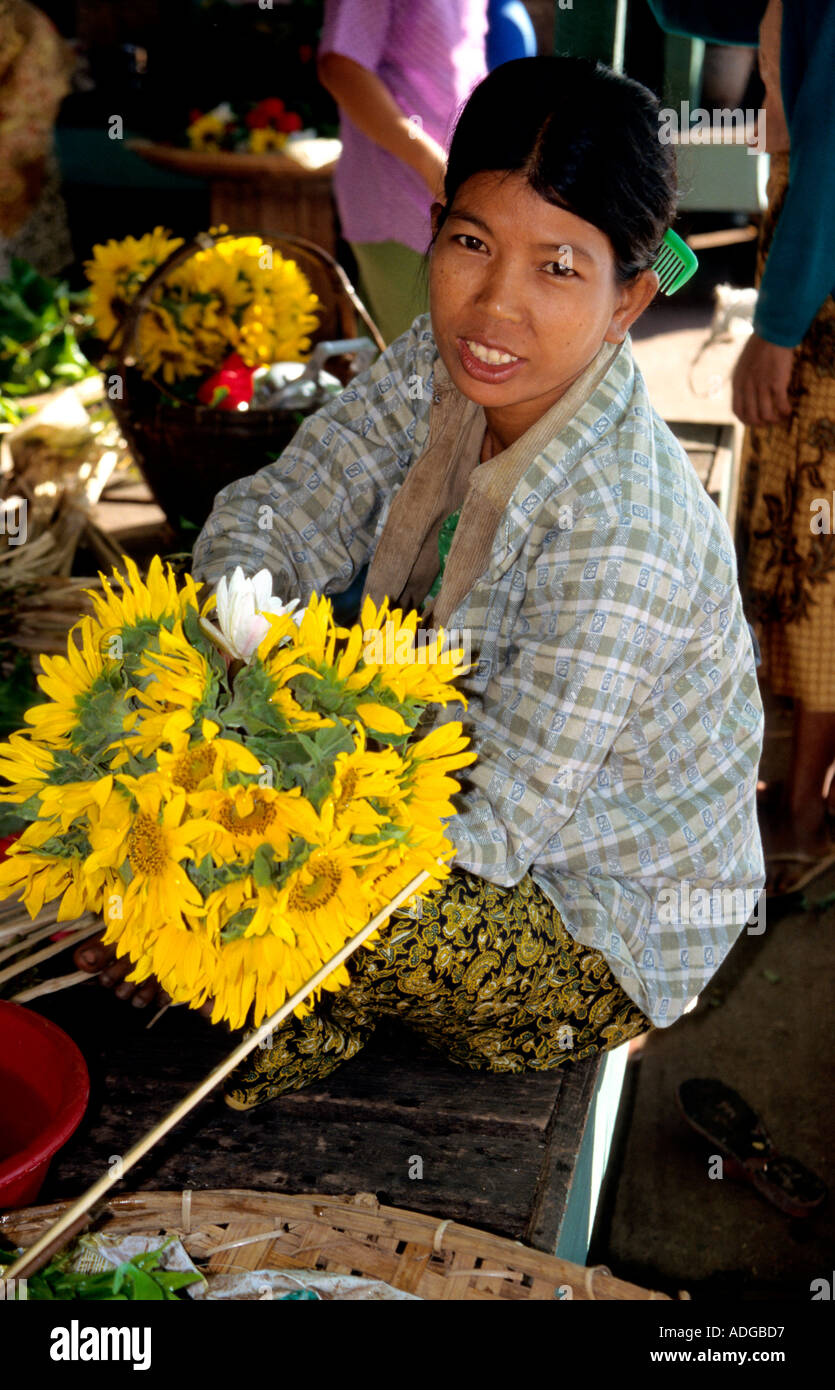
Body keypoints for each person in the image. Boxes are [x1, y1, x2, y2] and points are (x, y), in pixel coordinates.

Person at [77, 56, 765, 1110]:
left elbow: (483, 839)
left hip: (584, 918)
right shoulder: (443, 360)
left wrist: (214, 860)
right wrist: (225, 643)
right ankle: (264, 984)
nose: (494, 308)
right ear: (437, 228)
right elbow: (287, 506)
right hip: (420, 779)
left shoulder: (623, 532)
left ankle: (272, 992)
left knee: (280, 891)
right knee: (155, 689)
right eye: (472, 246)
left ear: (630, 298)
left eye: (558, 270)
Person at [646, 0, 835, 890]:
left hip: (820, 267)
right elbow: (690, 9)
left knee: (818, 552)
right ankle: (782, 791)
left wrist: (782, 326)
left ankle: (800, 809)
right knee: (795, 541)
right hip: (799, 233)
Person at [316, 0, 488, 345]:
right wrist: (433, 167)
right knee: (428, 372)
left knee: (410, 374)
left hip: (455, 194)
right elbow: (341, 66)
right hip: (404, 200)